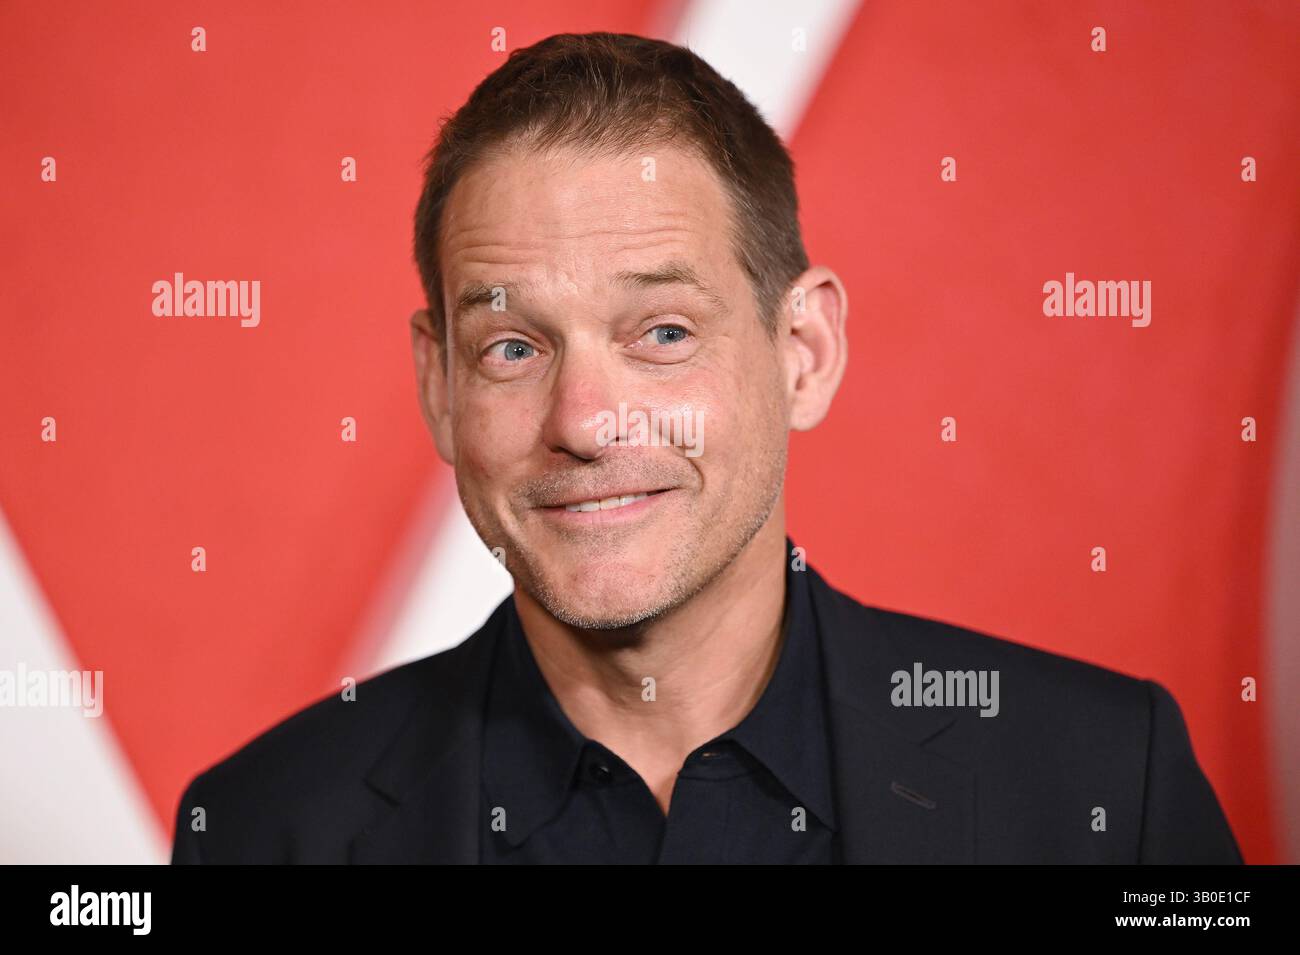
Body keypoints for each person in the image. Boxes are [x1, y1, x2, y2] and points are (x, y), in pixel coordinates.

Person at [171, 32, 1241, 864]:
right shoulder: (265, 832)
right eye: (510, 345)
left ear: (804, 351)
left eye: (664, 333)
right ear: (440, 386)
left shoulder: (1104, 785)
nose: (586, 422)